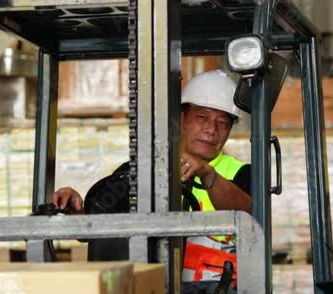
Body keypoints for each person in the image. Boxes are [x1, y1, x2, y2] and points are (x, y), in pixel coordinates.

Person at [50, 69, 252, 283]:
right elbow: (97, 230)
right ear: (181, 118)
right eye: (202, 118)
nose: (211, 129)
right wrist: (77, 213)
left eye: (222, 123)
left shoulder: (240, 173)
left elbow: (248, 214)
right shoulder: (140, 170)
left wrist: (206, 172)